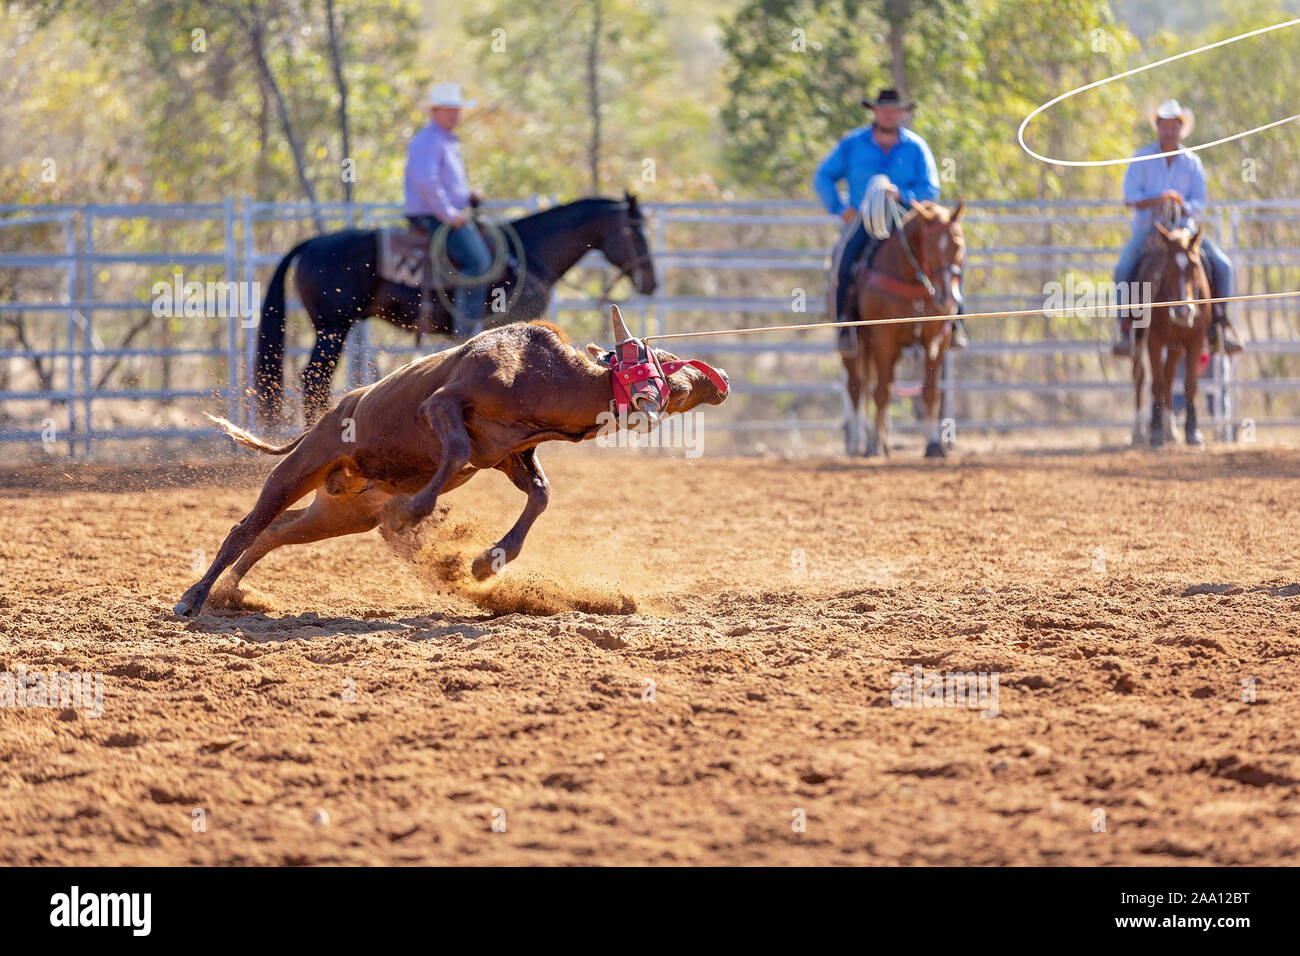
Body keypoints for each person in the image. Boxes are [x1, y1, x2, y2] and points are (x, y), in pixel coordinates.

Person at [813, 87, 965, 355]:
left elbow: (930, 188)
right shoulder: (852, 144)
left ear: (901, 114)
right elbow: (823, 176)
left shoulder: (916, 147)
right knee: (843, 258)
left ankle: (955, 321)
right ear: (874, 112)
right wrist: (840, 208)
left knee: (949, 253)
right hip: (864, 218)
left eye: (894, 110)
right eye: (883, 110)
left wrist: (902, 195)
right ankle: (844, 325)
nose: (888, 115)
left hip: (906, 220)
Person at [1111, 99, 1242, 356]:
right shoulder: (1142, 158)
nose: (1169, 131)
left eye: (1174, 126)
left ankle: (1219, 326)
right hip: (1150, 231)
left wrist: (1182, 204)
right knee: (1123, 268)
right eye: (1165, 126)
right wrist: (1159, 199)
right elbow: (1130, 197)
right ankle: (1125, 330)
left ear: (1181, 129)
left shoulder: (1192, 162)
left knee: (1223, 265)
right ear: (1157, 127)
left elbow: (1199, 200)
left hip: (1185, 231)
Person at [404, 82, 491, 338]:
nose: (454, 114)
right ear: (435, 112)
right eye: (448, 109)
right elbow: (427, 183)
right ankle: (464, 332)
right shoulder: (428, 141)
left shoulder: (445, 140)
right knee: (479, 261)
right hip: (432, 216)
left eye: (457, 109)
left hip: (443, 212)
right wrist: (450, 215)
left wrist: (467, 195)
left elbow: (444, 182)